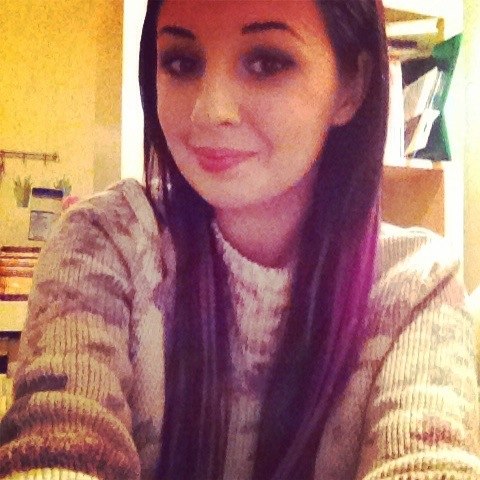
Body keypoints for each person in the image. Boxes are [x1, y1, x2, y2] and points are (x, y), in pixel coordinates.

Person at [0, 0, 479, 479]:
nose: (210, 111)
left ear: (350, 87)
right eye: (181, 62)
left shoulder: (416, 287)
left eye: (267, 62)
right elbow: (60, 440)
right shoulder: (104, 243)